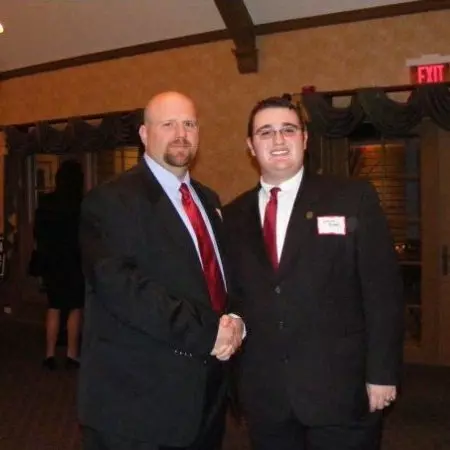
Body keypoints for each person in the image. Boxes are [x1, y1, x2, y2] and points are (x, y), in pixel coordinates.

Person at [223, 96, 404, 450]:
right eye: (266, 132)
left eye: (288, 130)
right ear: (250, 146)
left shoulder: (352, 198)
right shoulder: (231, 216)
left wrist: (382, 373)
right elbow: (236, 294)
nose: (278, 141)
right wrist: (232, 320)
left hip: (341, 391)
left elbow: (383, 292)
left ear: (304, 139)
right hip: (267, 394)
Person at [78, 91, 244, 450]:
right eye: (168, 124)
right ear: (143, 134)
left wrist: (236, 320)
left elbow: (220, 278)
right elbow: (123, 289)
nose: (180, 133)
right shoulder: (110, 200)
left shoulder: (209, 199)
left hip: (207, 396)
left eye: (189, 124)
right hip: (139, 405)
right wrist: (208, 333)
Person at [33, 159, 85, 370]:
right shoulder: (83, 205)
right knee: (75, 308)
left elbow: (38, 233)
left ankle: (49, 354)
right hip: (75, 262)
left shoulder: (46, 203)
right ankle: (72, 355)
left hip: (52, 261)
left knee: (53, 307)